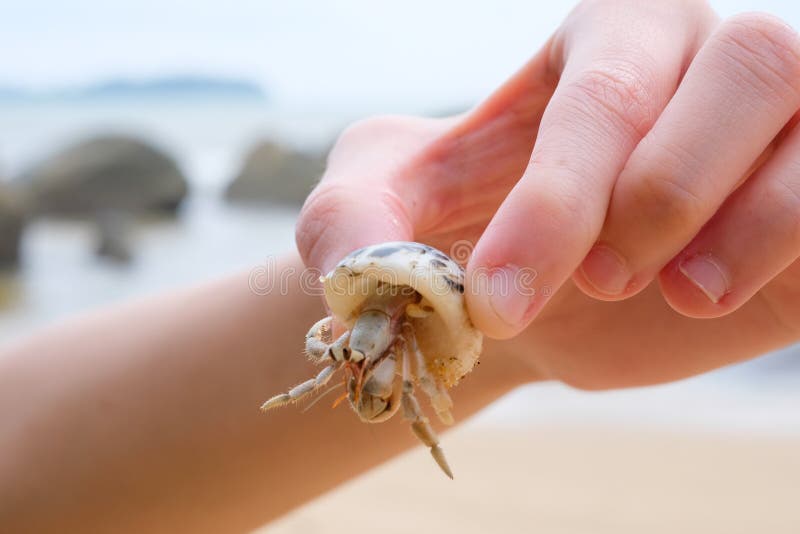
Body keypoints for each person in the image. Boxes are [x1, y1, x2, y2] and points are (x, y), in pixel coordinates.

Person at [2, 1, 799, 531]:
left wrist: (524, 315)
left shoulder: (401, 332)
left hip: (421, 292)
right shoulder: (365, 333)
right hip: (404, 294)